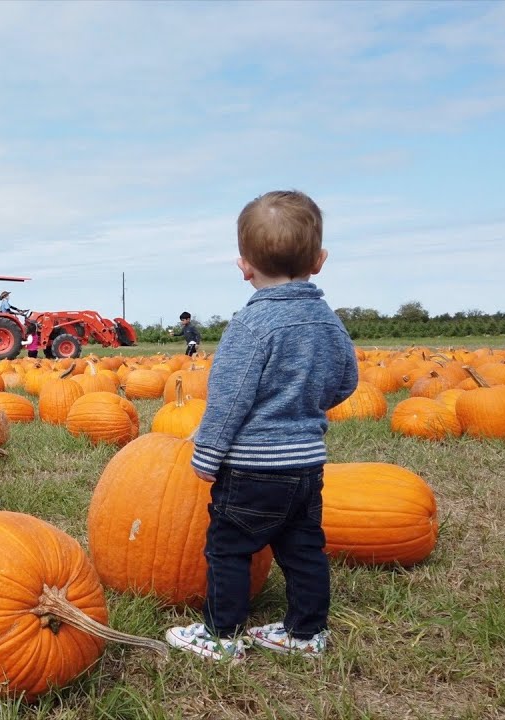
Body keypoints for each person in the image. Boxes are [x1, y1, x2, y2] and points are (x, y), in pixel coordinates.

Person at [165, 190, 358, 663]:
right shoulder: (328, 322)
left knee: (229, 549)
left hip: (253, 468)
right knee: (304, 549)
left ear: (244, 266)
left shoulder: (252, 326)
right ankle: (306, 633)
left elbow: (229, 400)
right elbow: (347, 379)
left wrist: (207, 454)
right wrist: (309, 404)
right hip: (306, 465)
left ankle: (221, 635)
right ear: (319, 261)